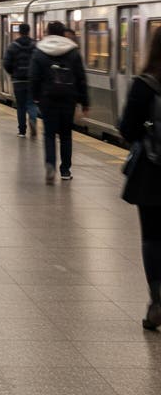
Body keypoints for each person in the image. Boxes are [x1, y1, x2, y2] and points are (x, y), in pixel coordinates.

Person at [119, 26, 161, 330]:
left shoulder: (144, 84)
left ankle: (157, 300)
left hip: (152, 174)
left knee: (152, 237)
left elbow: (127, 129)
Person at [29, 21, 88, 184]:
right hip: (68, 99)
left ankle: (50, 165)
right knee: (66, 135)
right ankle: (65, 170)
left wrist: (35, 97)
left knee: (49, 134)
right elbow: (81, 78)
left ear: (47, 33)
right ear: (63, 33)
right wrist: (85, 102)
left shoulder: (39, 51)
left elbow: (34, 76)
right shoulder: (73, 51)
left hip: (47, 99)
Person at [4, 23, 38, 137]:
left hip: (18, 80)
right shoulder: (35, 45)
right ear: (29, 31)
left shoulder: (13, 46)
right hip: (32, 80)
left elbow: (6, 63)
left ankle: (22, 131)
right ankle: (33, 120)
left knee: (21, 106)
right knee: (32, 104)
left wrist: (13, 73)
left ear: (19, 31)